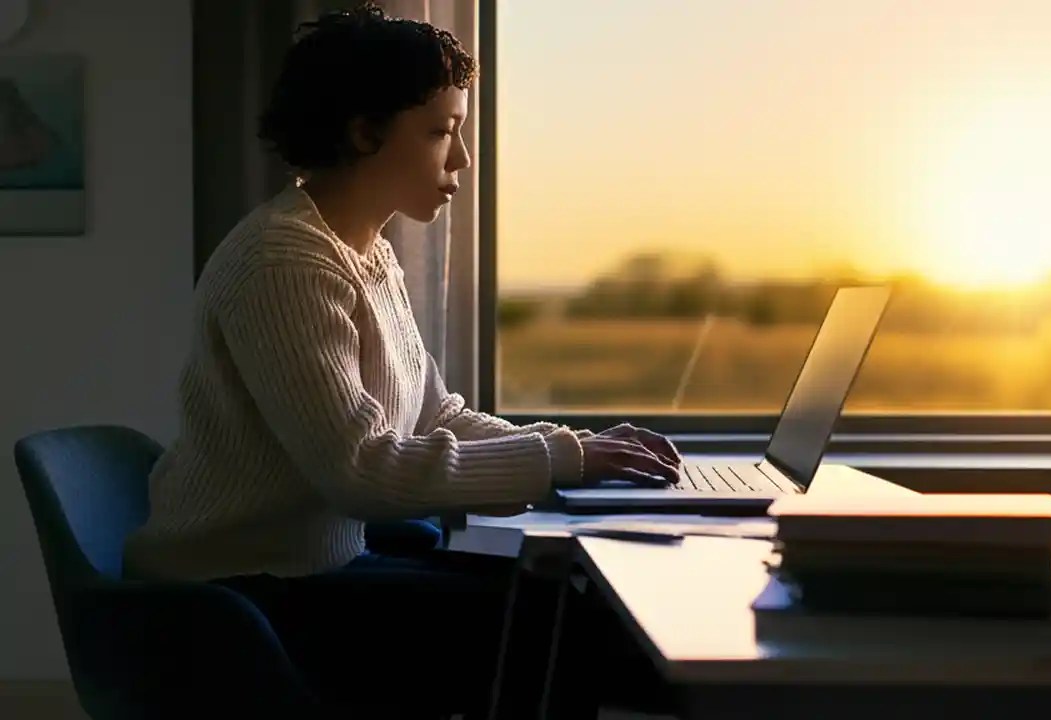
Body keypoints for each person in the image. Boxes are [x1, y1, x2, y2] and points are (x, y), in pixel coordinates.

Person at [121, 4, 681, 716]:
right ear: (364, 132)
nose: (462, 159)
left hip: (308, 569)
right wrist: (563, 459)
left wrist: (576, 447)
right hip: (239, 599)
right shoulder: (284, 262)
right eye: (442, 132)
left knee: (557, 605)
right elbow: (364, 471)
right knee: (566, 633)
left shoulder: (366, 253)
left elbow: (433, 415)